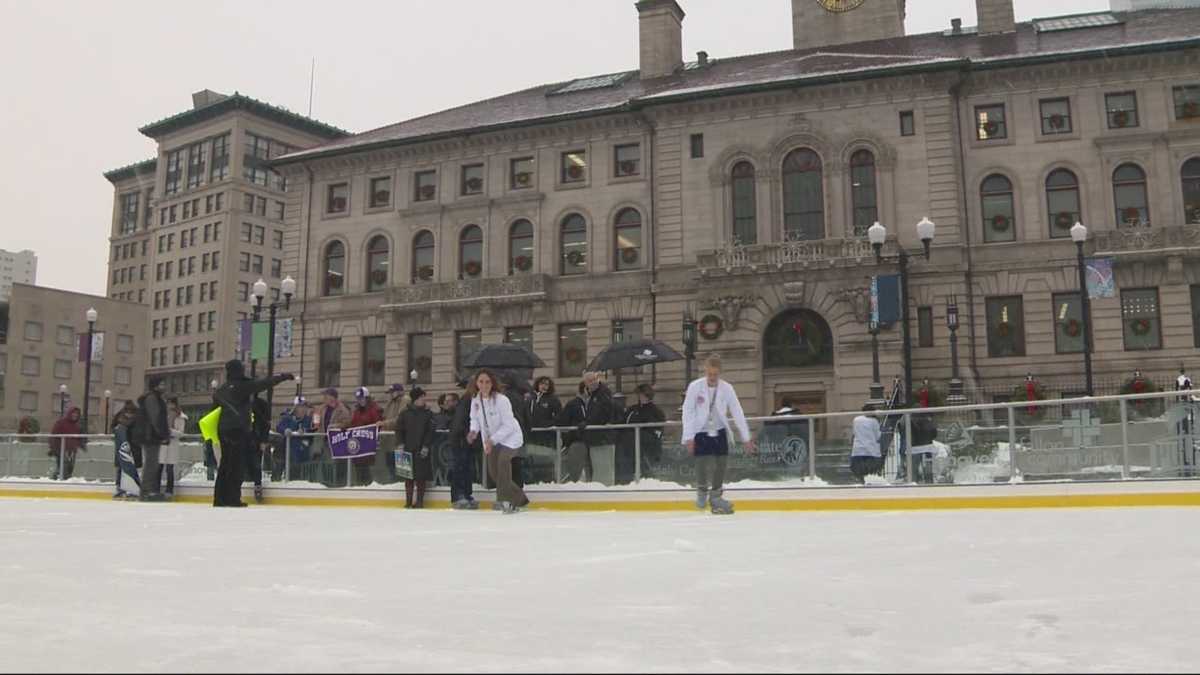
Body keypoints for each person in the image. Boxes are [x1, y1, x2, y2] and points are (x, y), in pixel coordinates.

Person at [681, 354, 756, 515]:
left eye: (715, 374)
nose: (712, 377)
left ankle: (716, 495)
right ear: (705, 371)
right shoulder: (695, 387)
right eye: (710, 374)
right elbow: (688, 412)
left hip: (720, 430)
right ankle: (702, 490)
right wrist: (688, 437)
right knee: (701, 463)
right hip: (701, 430)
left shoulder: (727, 388)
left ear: (720, 373)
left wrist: (746, 438)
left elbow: (737, 411)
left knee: (721, 464)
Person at [212, 360, 293, 507]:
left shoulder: (221, 390)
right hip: (238, 430)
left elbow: (214, 410)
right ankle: (233, 499)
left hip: (223, 429)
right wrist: (282, 377)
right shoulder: (242, 386)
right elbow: (263, 384)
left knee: (225, 464)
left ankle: (219, 498)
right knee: (236, 466)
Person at [468, 368, 528, 514]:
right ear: (476, 383)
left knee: (503, 462)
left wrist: (492, 440)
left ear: (492, 383)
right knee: (495, 474)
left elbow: (508, 425)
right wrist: (473, 431)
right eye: (481, 382)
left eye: (487, 382)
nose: (484, 385)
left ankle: (505, 501)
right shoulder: (476, 401)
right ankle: (520, 498)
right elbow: (474, 419)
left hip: (511, 438)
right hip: (491, 440)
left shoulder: (502, 400)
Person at [559, 372, 617, 483]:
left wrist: (587, 422)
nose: (592, 383)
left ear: (598, 379)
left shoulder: (603, 393)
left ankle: (604, 491)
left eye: (594, 379)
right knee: (597, 470)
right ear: (585, 384)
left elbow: (602, 414)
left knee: (603, 471)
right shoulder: (594, 395)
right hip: (594, 438)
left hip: (602, 438)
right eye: (589, 381)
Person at [392, 387, 436, 508]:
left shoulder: (428, 414)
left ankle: (420, 501)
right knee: (408, 478)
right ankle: (408, 501)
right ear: (415, 399)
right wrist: (400, 444)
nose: (424, 399)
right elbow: (399, 429)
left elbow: (430, 431)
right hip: (408, 449)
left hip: (421, 450)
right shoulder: (405, 413)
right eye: (422, 397)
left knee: (421, 478)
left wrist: (426, 446)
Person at [617, 384, 665, 483]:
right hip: (629, 447)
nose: (641, 397)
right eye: (640, 395)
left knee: (646, 473)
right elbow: (623, 423)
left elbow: (658, 431)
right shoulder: (632, 410)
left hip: (647, 447)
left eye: (644, 395)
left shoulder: (656, 411)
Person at [135, 377, 171, 502]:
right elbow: (155, 418)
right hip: (150, 435)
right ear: (155, 386)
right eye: (161, 384)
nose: (164, 386)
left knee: (153, 464)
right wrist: (162, 434)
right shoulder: (152, 398)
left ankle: (148, 490)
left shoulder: (157, 398)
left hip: (152, 435)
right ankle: (146, 491)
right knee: (151, 464)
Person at [448, 379, 480, 510]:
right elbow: (460, 421)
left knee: (467, 468)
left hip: (466, 439)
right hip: (461, 440)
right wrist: (463, 436)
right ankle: (459, 495)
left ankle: (466, 494)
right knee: (460, 467)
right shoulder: (467, 400)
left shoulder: (472, 400)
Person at [312, 388, 352, 486]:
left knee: (336, 464)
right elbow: (316, 424)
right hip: (324, 440)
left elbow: (347, 423)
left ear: (332, 397)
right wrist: (314, 419)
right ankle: (326, 483)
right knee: (325, 464)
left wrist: (336, 426)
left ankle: (338, 484)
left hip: (336, 441)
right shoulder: (322, 408)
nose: (324, 398)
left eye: (326, 395)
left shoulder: (342, 409)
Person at [349, 387, 383, 486]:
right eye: (358, 398)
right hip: (358, 445)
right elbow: (352, 423)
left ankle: (369, 485)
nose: (360, 400)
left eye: (362, 398)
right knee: (359, 468)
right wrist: (344, 427)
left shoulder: (374, 409)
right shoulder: (357, 410)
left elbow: (378, 424)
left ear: (367, 398)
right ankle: (360, 485)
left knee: (367, 468)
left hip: (369, 445)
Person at [276, 398, 314, 481]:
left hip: (303, 451)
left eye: (305, 407)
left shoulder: (308, 419)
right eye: (301, 406)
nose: (303, 409)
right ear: (296, 407)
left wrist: (304, 430)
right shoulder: (288, 418)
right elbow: (279, 427)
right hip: (289, 450)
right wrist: (285, 430)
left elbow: (311, 429)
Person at [48, 407, 85, 480]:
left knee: (70, 467)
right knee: (63, 466)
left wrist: (81, 445)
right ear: (70, 414)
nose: (75, 415)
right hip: (60, 449)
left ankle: (59, 478)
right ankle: (61, 479)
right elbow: (54, 435)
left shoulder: (78, 425)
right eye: (73, 413)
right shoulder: (61, 422)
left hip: (72, 450)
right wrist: (53, 447)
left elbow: (79, 437)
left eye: (77, 414)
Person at [159, 397, 186, 498]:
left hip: (172, 444)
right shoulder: (162, 415)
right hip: (162, 444)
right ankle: (156, 489)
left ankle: (169, 490)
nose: (169, 405)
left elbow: (181, 433)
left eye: (171, 403)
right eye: (168, 403)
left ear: (175, 404)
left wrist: (170, 431)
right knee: (159, 468)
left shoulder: (180, 417)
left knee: (169, 469)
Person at [380, 384, 407, 482]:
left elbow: (400, 419)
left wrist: (385, 423)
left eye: (392, 392)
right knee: (390, 464)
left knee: (401, 467)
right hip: (389, 440)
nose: (390, 394)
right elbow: (384, 416)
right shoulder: (391, 402)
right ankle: (393, 481)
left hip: (399, 439)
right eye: (390, 393)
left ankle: (401, 482)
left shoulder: (405, 400)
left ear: (399, 392)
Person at [850, 405, 884, 484]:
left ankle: (860, 484)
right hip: (871, 452)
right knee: (870, 475)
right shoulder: (874, 421)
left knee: (859, 475)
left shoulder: (856, 419)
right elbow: (878, 436)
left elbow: (854, 433)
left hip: (857, 451)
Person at [909, 413, 939, 484]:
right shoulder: (928, 422)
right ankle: (929, 484)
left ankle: (914, 483)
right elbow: (934, 434)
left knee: (914, 469)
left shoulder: (912, 421)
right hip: (927, 447)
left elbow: (909, 435)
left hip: (915, 448)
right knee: (928, 469)